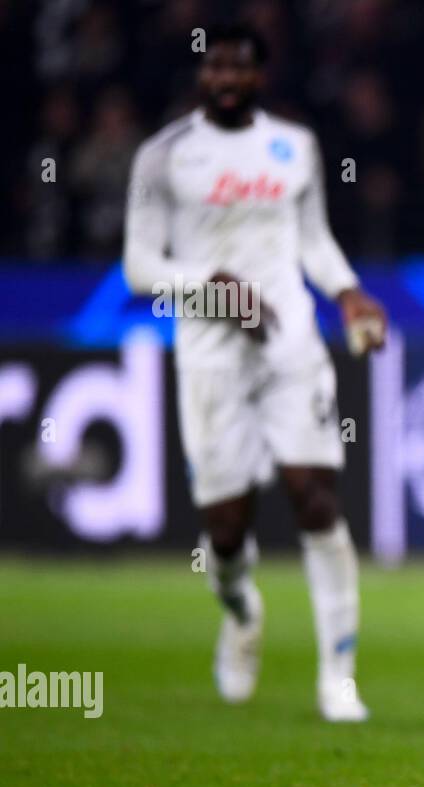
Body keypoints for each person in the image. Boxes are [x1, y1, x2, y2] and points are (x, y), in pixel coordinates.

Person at [123, 23, 387, 721]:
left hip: (290, 346)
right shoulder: (163, 156)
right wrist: (215, 291)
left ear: (260, 76)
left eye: (240, 68)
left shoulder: (294, 146)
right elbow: (140, 265)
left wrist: (348, 291)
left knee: (316, 498)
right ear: (202, 74)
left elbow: (314, 241)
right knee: (227, 533)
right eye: (216, 68)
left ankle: (339, 677)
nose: (228, 79)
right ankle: (241, 615)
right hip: (209, 357)